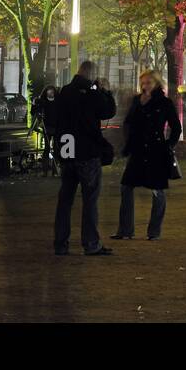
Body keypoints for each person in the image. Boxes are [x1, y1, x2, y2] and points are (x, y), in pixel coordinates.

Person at [53, 61, 117, 256]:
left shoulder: (65, 92)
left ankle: (60, 244)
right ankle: (91, 243)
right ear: (93, 75)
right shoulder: (92, 93)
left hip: (67, 149)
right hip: (87, 151)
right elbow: (108, 112)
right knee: (90, 199)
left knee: (65, 199)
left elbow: (56, 119)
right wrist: (105, 91)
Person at [112, 70, 181, 241]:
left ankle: (154, 231)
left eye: (148, 82)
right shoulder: (137, 100)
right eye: (143, 82)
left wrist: (168, 145)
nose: (145, 86)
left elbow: (176, 127)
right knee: (126, 187)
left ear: (157, 83)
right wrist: (127, 141)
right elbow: (128, 122)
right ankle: (125, 230)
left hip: (156, 150)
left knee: (158, 190)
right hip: (137, 150)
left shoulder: (164, 102)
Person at [32, 84, 60, 176]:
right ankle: (45, 170)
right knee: (47, 148)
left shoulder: (58, 101)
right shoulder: (43, 102)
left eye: (52, 91)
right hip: (47, 127)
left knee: (56, 148)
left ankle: (55, 170)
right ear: (46, 92)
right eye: (49, 91)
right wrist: (34, 104)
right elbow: (34, 112)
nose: (51, 92)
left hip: (56, 127)